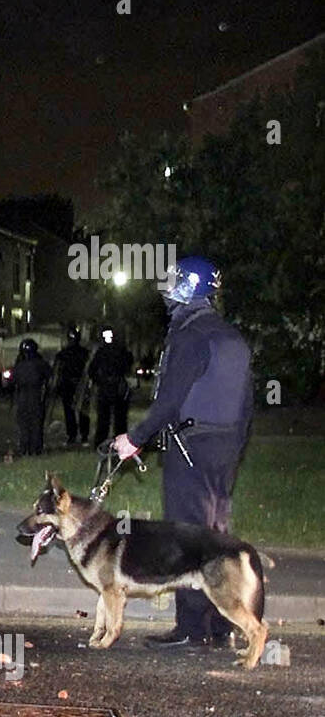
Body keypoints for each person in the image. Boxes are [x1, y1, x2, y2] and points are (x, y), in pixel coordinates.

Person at [112, 254, 253, 651]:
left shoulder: (189, 335)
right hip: (224, 447)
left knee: (188, 537)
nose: (168, 293)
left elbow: (170, 399)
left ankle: (191, 627)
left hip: (189, 446)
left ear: (187, 288)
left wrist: (135, 437)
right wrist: (235, 448)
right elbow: (247, 404)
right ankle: (221, 623)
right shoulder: (231, 336)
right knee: (216, 535)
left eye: (173, 284)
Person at [89, 326, 134, 446]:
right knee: (111, 418)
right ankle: (107, 441)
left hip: (113, 387)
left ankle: (107, 441)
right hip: (110, 387)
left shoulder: (113, 351)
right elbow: (92, 370)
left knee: (112, 418)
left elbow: (92, 370)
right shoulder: (105, 351)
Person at [12, 337, 53, 456]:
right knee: (36, 423)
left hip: (25, 396)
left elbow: (12, 380)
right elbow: (49, 376)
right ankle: (35, 448)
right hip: (36, 395)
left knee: (25, 423)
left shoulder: (20, 365)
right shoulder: (40, 364)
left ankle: (25, 448)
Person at [52, 324, 90, 445]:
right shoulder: (83, 353)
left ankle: (74, 436)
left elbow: (57, 369)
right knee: (80, 411)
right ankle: (81, 436)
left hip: (73, 384)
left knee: (72, 411)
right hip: (77, 384)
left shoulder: (64, 353)